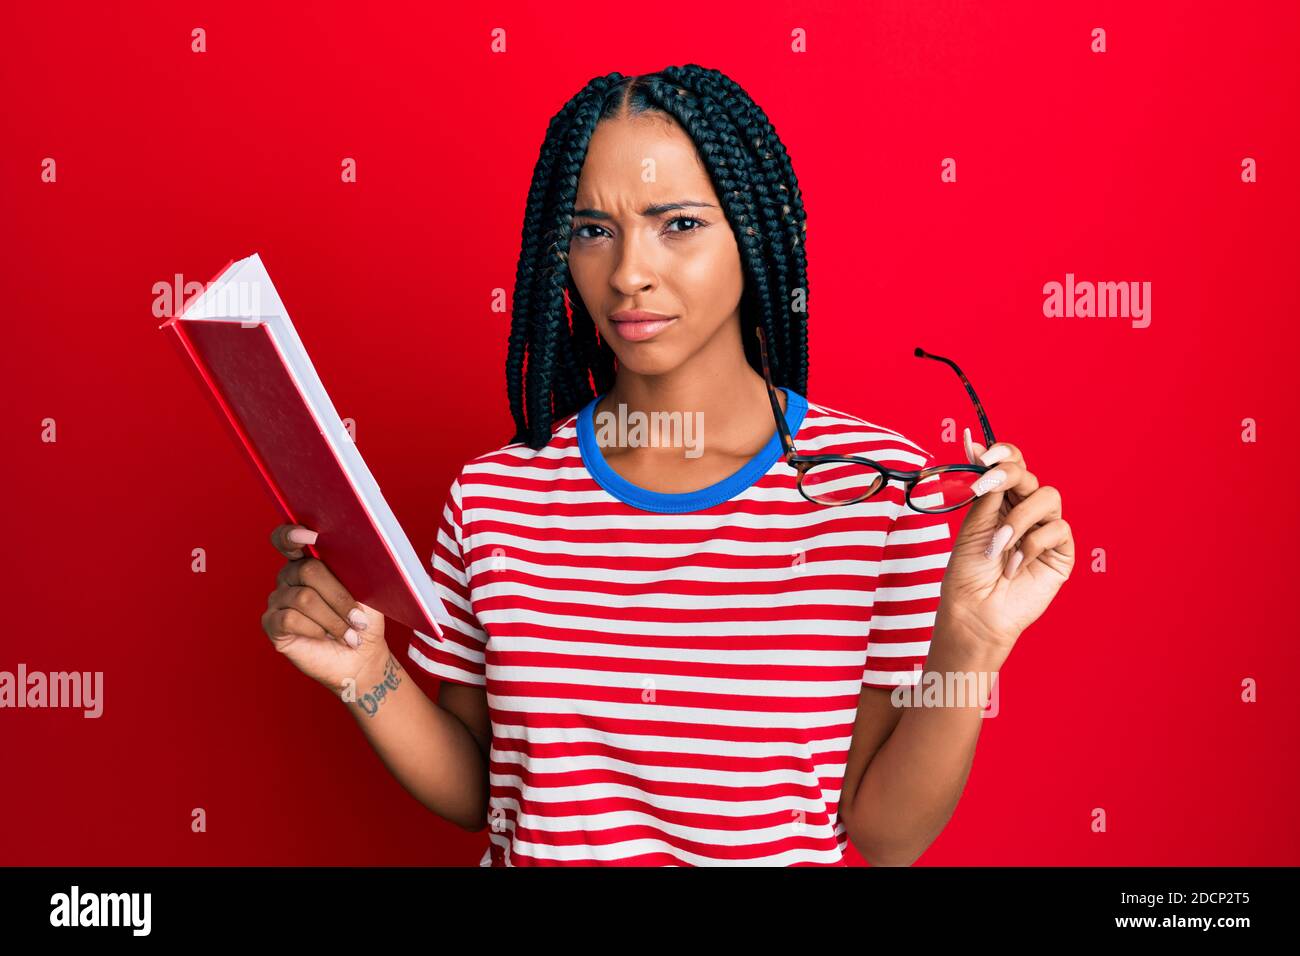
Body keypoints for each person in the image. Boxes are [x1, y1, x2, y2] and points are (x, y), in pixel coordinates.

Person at [262, 65, 1074, 867]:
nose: (628, 274)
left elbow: (889, 837)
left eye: (677, 224)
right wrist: (366, 673)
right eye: (592, 230)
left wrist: (968, 646)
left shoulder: (875, 491)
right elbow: (485, 786)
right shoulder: (495, 497)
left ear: (753, 234)